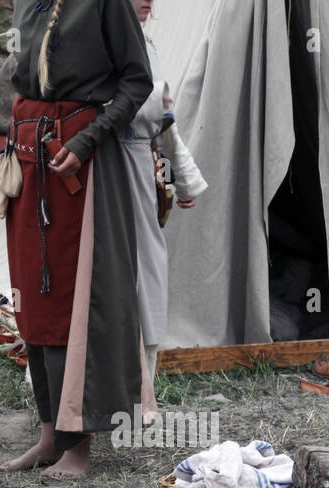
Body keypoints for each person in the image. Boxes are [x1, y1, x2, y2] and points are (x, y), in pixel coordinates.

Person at [0, 0, 155, 478]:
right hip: (29, 160)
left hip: (79, 167)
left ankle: (78, 447)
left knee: (74, 296)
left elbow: (137, 81)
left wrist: (88, 139)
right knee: (35, 294)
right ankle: (49, 436)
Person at [122, 0, 207, 381]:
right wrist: (156, 97)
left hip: (141, 169)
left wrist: (182, 179)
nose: (148, 2)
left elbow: (163, 126)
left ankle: (143, 388)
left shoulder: (147, 45)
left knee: (150, 279)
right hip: (107, 171)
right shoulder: (97, 43)